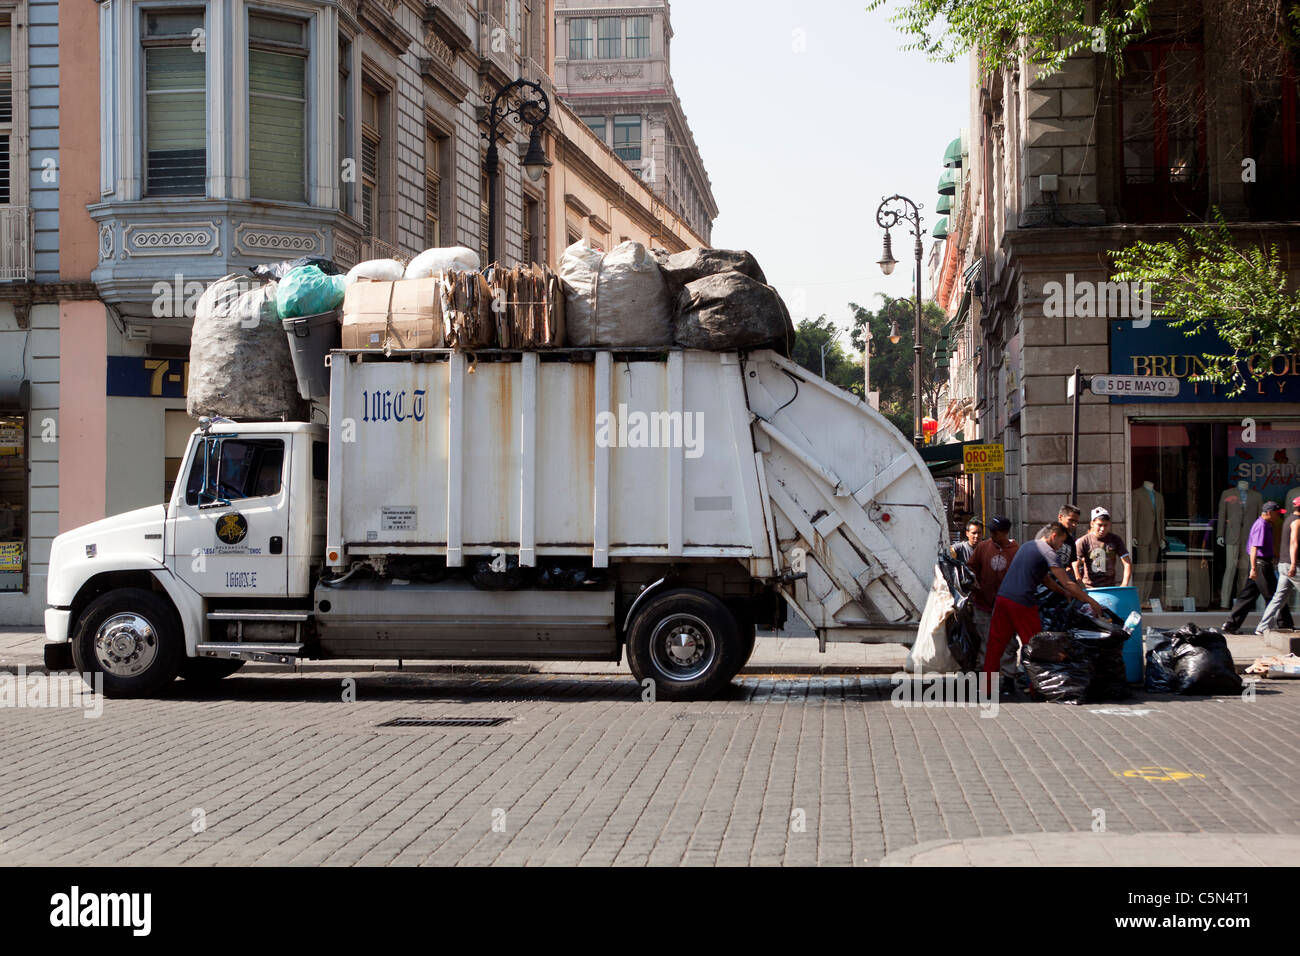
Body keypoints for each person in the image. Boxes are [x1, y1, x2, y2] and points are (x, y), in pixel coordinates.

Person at [983, 521, 1106, 695]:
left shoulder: (1027, 546)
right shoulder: (1048, 551)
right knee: (1036, 646)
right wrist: (1090, 601)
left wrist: (1063, 592)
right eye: (1061, 542)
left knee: (995, 646)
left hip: (1003, 599)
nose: (1061, 546)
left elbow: (1045, 580)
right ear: (1053, 536)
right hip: (1023, 602)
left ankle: (986, 689)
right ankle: (1038, 689)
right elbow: (1068, 582)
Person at [967, 516, 1019, 682]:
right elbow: (971, 567)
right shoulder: (983, 547)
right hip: (983, 604)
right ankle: (986, 677)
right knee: (986, 642)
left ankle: (1008, 676)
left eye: (995, 533)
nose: (992, 535)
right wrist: (974, 582)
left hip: (1007, 606)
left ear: (1004, 533)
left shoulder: (1015, 550)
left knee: (1008, 643)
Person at [1223, 501, 1286, 634]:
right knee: (1275, 596)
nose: (1278, 516)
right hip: (1260, 565)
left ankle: (1231, 624)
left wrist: (1278, 556)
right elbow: (1254, 548)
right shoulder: (1261, 525)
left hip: (1261, 564)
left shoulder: (1267, 525)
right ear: (1269, 513)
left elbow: (1267, 546)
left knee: (1248, 596)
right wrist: (1253, 568)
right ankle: (1284, 624)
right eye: (1277, 514)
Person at [1254, 496, 1299, 634]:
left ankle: (1262, 628)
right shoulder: (1297, 522)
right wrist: (1293, 565)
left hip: (1283, 564)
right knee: (1278, 598)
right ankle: (1262, 627)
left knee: (1278, 599)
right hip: (1293, 566)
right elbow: (1293, 543)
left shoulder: (1288, 520)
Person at [1075, 506, 1133, 589]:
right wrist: (1081, 585)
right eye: (1099, 525)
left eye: (1106, 525)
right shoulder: (1083, 541)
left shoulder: (1115, 539)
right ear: (1092, 524)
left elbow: (1127, 563)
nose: (1102, 529)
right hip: (1089, 587)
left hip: (1109, 587)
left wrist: (1124, 583)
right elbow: (1075, 565)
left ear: (1109, 524)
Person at [1056, 504, 1082, 580]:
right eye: (1071, 520)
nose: (1074, 524)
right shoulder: (1047, 535)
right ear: (1060, 517)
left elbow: (1071, 566)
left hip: (1062, 584)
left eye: (1076, 521)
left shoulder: (1071, 541)